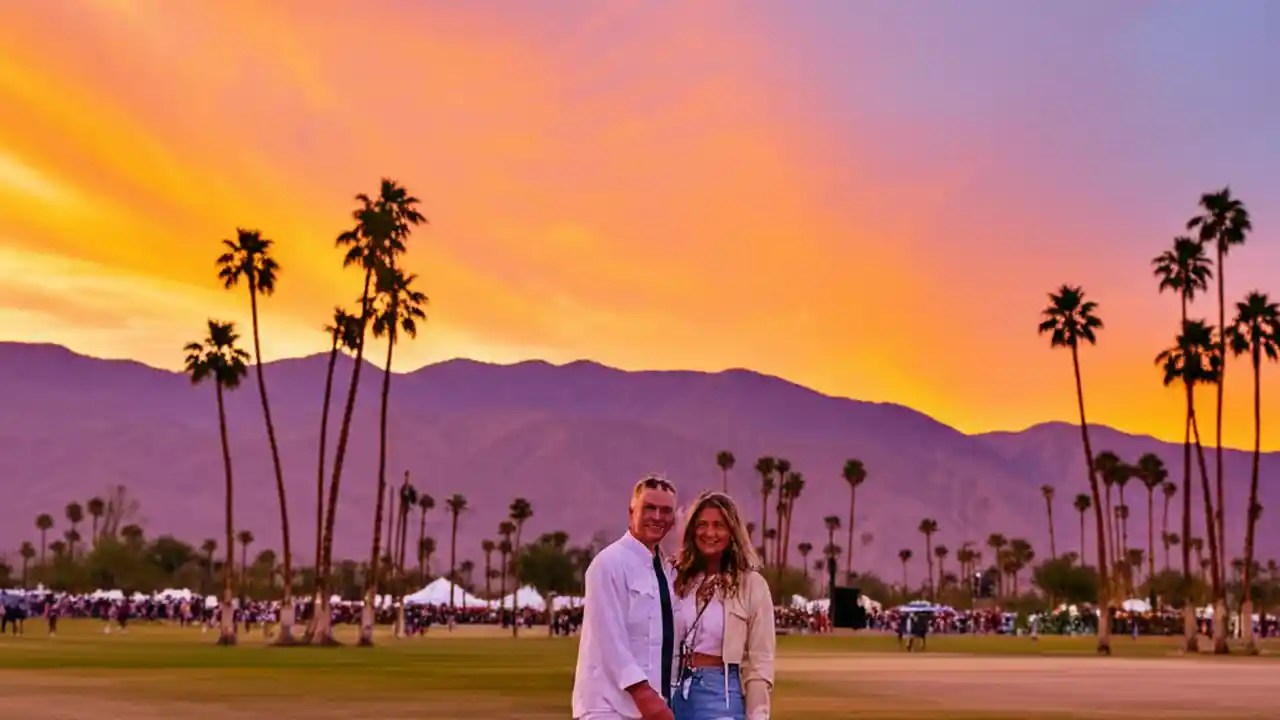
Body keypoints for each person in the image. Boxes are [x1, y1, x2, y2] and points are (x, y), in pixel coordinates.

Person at [572, 475, 679, 720]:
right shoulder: (609, 564)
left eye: (666, 511)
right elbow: (610, 640)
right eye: (649, 508)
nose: (657, 516)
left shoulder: (666, 570)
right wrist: (645, 695)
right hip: (608, 707)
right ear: (632, 512)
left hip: (651, 708)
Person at [671, 491, 775, 720]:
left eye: (719, 525)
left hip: (721, 694)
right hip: (675, 690)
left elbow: (760, 660)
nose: (709, 533)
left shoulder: (752, 585)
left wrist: (758, 714)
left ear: (732, 532)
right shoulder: (678, 580)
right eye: (702, 525)